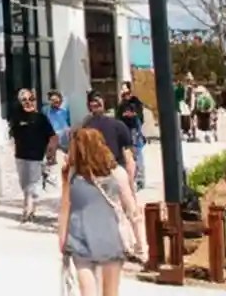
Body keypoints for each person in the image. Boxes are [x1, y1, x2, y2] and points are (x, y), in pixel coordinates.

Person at [58, 127, 143, 296]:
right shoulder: (117, 173)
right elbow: (133, 210)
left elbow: (65, 207)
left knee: (87, 288)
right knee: (111, 292)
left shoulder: (72, 174)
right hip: (110, 237)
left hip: (80, 237)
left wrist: (62, 238)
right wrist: (141, 243)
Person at [9, 88, 57, 223]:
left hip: (36, 157)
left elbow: (53, 136)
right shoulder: (16, 118)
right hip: (20, 156)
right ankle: (30, 207)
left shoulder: (41, 118)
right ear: (19, 102)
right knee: (25, 185)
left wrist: (51, 153)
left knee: (33, 185)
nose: (28, 102)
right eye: (24, 100)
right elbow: (13, 135)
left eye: (31, 99)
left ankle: (28, 210)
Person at [81, 92, 137, 190]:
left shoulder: (83, 129)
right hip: (114, 174)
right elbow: (129, 158)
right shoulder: (118, 125)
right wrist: (130, 187)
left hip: (94, 178)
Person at [117, 83, 146, 190]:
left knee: (137, 154)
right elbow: (118, 117)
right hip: (124, 131)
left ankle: (140, 180)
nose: (125, 95)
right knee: (126, 155)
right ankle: (130, 178)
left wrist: (131, 115)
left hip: (134, 131)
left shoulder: (135, 102)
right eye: (123, 93)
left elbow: (139, 117)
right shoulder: (121, 105)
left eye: (126, 92)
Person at [43, 90, 72, 187]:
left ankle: (69, 173)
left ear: (60, 100)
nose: (55, 102)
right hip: (52, 136)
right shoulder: (46, 110)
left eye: (57, 100)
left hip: (64, 135)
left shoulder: (65, 110)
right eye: (52, 100)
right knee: (51, 155)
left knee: (67, 155)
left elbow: (69, 122)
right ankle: (49, 174)